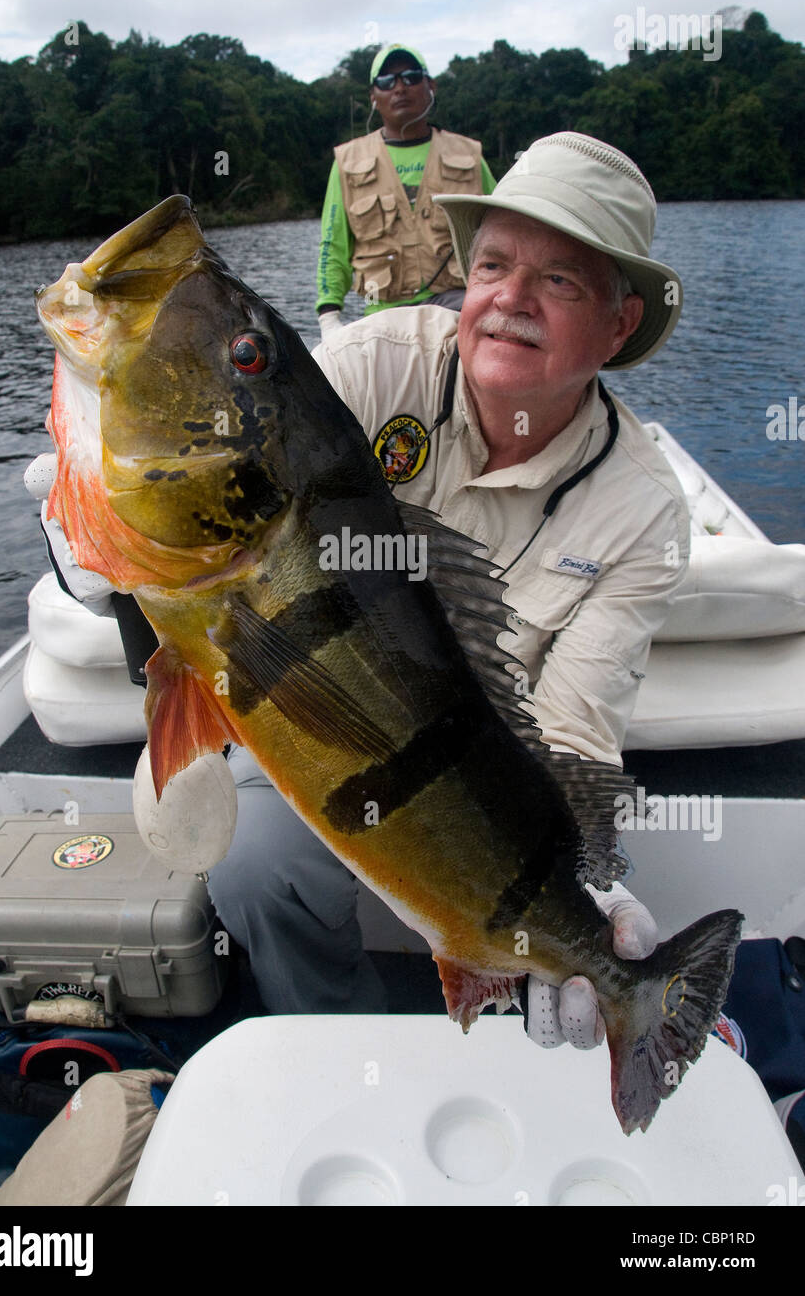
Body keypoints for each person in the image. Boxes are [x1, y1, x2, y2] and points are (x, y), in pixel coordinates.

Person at [34, 132, 689, 1054]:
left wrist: (577, 896)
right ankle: (338, 1048)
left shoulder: (644, 509)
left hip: (494, 769)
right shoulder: (372, 364)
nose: (508, 299)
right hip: (308, 714)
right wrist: (88, 484)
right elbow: (230, 472)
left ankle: (540, 988)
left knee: (561, 912)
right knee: (255, 868)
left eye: (560, 282)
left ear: (619, 326)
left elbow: (576, 717)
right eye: (493, 263)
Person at [316, 43, 497, 340]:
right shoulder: (347, 163)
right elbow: (332, 246)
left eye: (411, 77)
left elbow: (505, 231)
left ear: (430, 85)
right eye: (387, 82)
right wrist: (329, 316)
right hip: (382, 310)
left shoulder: (470, 155)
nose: (400, 88)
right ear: (374, 97)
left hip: (458, 305)